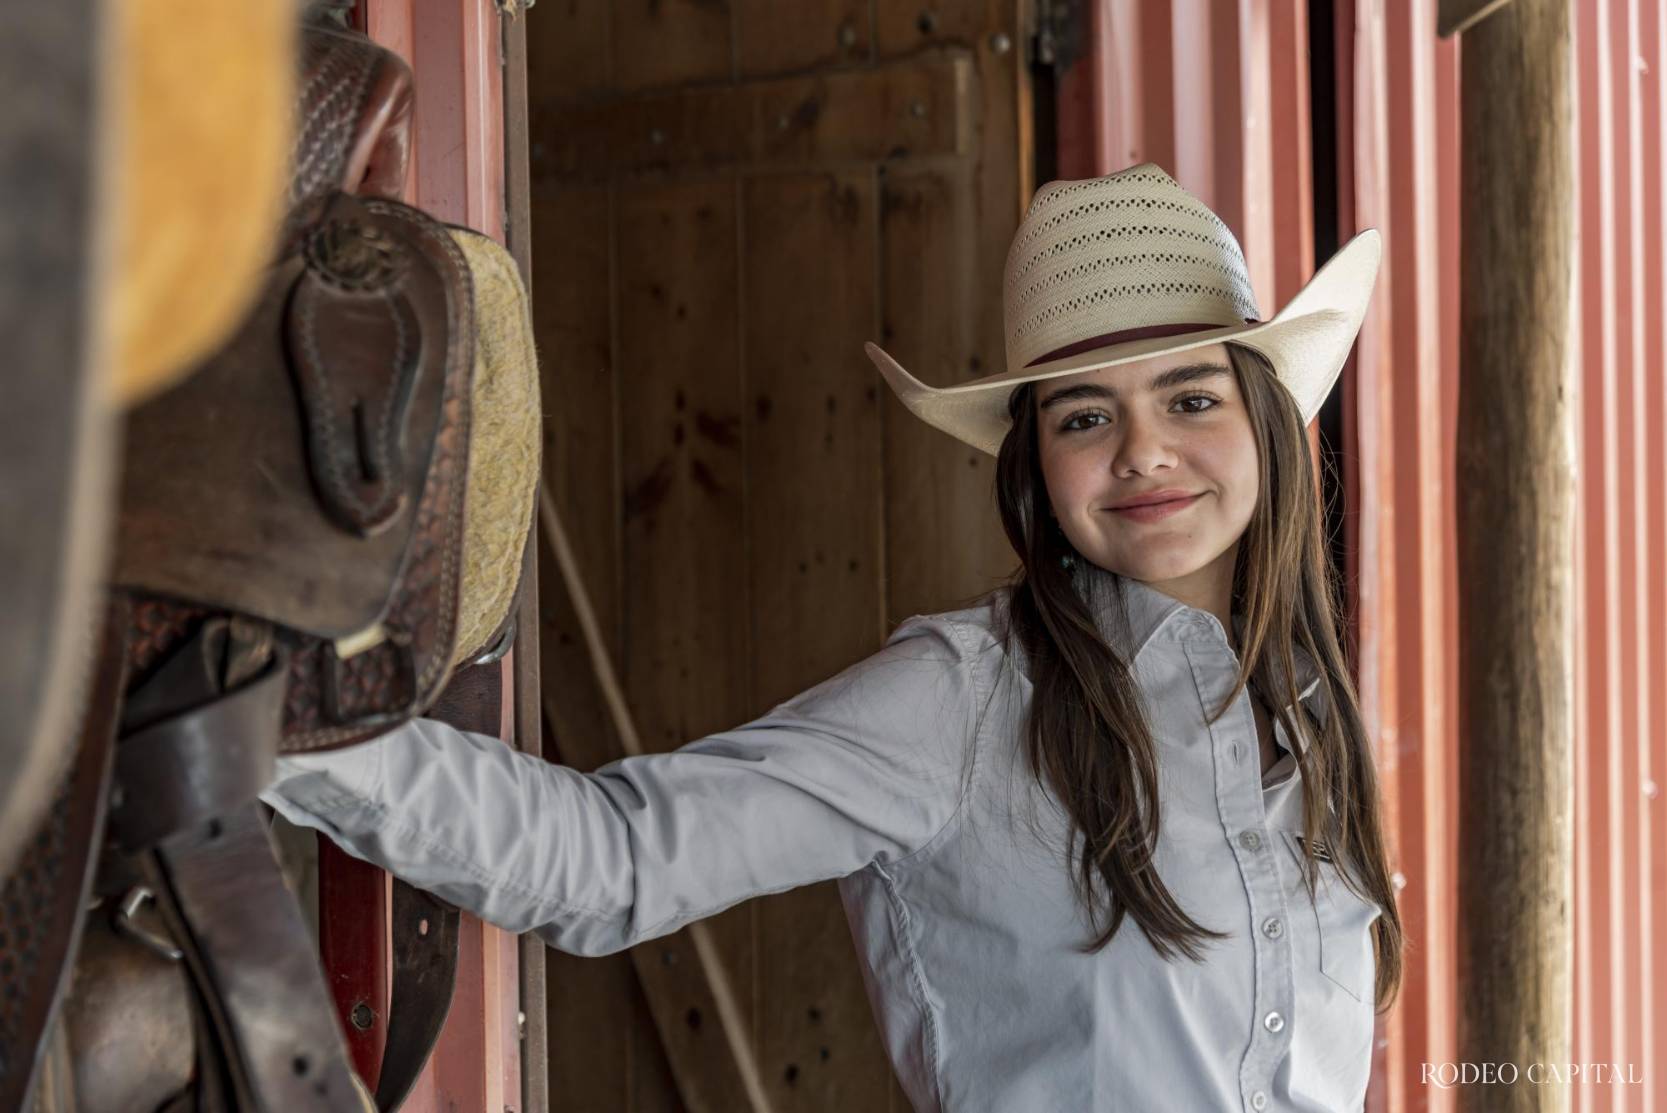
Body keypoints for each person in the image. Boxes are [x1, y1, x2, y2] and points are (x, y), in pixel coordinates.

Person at [263, 162, 1403, 1112]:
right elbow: (611, 862)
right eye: (1084, 415)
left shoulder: (1307, 724)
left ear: (1265, 420)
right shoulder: (963, 703)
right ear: (1034, 464)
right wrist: (254, 718)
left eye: (1189, 397)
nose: (1142, 452)